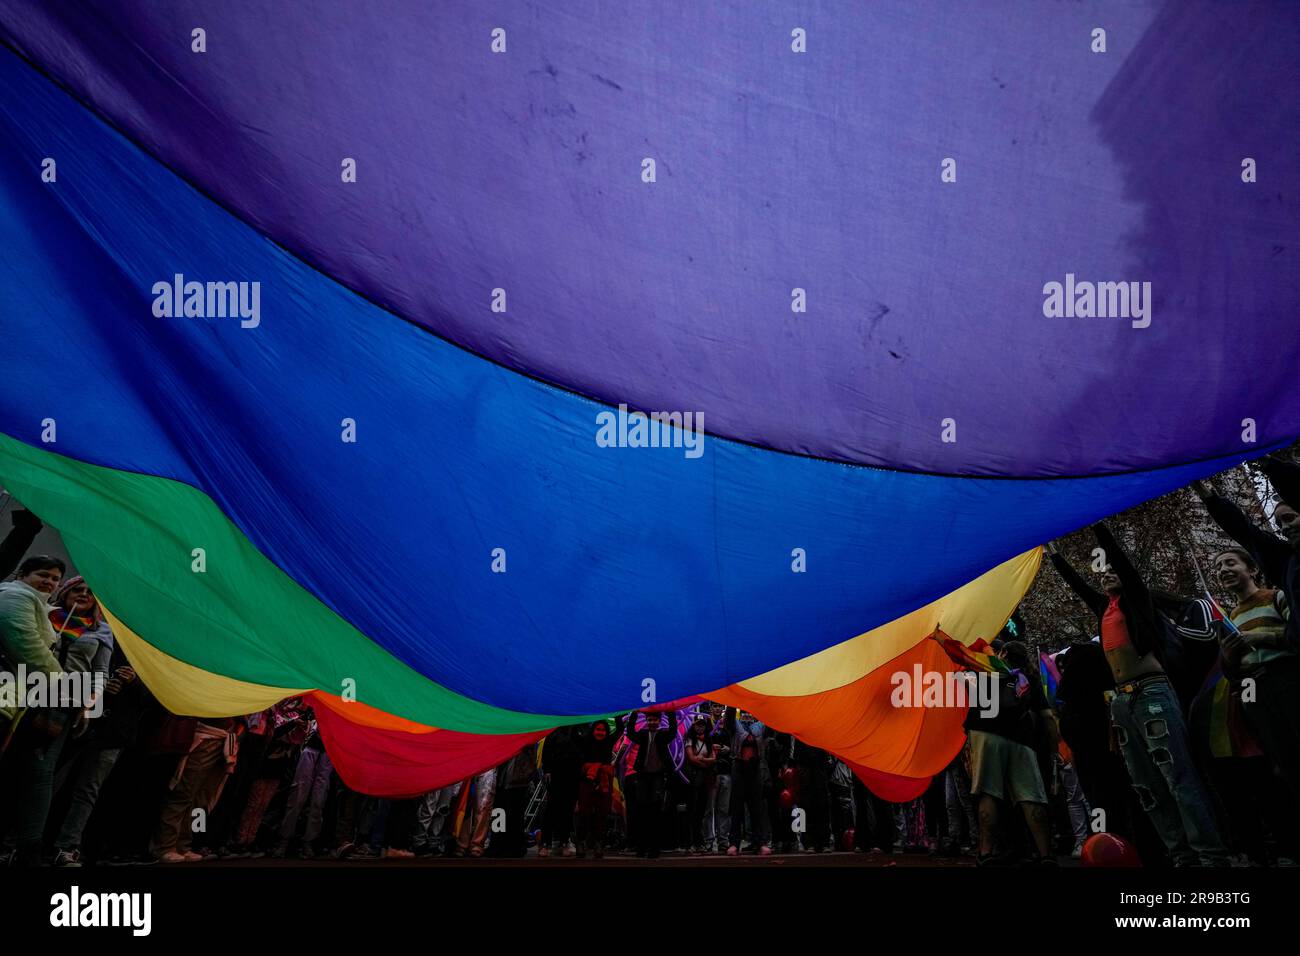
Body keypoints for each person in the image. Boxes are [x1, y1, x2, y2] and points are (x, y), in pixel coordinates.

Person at [1048, 527, 1228, 866]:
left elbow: (1120, 561)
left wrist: (1098, 525)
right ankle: (1181, 855)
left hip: (1151, 691)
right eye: (1105, 574)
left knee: (1178, 776)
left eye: (1114, 571)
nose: (1108, 576)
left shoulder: (1137, 601)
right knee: (1147, 785)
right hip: (1122, 701)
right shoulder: (1103, 608)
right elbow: (1078, 584)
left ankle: (1211, 855)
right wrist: (1054, 554)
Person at [1195, 475, 1300, 800]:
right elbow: (1233, 672)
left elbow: (1294, 638)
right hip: (1256, 693)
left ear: (1252, 569)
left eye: (1230, 563)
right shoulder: (1231, 618)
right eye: (1217, 569)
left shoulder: (1277, 597)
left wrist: (1263, 640)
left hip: (1288, 682)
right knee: (1283, 764)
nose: (1223, 570)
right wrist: (1228, 658)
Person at [963, 639, 1057, 865]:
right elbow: (1047, 717)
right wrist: (1055, 750)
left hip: (985, 733)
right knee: (1031, 796)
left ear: (1002, 654)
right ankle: (1045, 855)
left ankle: (986, 853)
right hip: (1021, 739)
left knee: (988, 794)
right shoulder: (1030, 680)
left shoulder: (985, 673)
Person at [627, 709, 677, 858]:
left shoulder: (663, 735)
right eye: (649, 720)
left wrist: (670, 711)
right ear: (646, 722)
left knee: (656, 812)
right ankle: (641, 848)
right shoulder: (642, 735)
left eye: (655, 720)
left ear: (659, 722)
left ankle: (655, 849)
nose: (652, 722)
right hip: (643, 777)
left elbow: (673, 731)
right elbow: (630, 733)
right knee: (642, 811)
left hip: (658, 777)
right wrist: (634, 714)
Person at [724, 707, 771, 855]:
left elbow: (771, 725)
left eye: (749, 712)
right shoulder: (735, 725)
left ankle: (760, 843)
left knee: (757, 808)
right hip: (738, 768)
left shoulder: (761, 726)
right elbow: (729, 718)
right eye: (744, 713)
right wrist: (732, 700)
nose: (747, 715)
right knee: (736, 808)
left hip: (755, 769)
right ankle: (733, 844)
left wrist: (768, 702)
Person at [574, 719, 617, 858]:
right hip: (587, 781)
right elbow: (573, 735)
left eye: (603, 730)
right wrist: (574, 714)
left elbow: (621, 728)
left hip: (604, 782)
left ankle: (599, 844)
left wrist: (617, 708)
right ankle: (580, 843)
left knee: (602, 814)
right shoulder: (585, 742)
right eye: (598, 729)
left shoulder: (609, 742)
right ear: (593, 731)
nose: (600, 732)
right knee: (584, 813)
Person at [539, 724, 581, 857]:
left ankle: (564, 842)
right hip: (556, 774)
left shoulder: (577, 730)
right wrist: (547, 770)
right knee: (551, 808)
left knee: (567, 810)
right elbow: (547, 750)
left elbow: (581, 752)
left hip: (572, 775)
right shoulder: (554, 730)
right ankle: (545, 843)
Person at [683, 715, 717, 853]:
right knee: (691, 810)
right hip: (693, 777)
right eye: (697, 724)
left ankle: (699, 841)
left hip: (705, 778)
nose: (700, 727)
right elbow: (691, 757)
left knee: (701, 811)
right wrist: (705, 761)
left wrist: (702, 759)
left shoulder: (709, 740)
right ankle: (689, 843)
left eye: (702, 725)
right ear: (693, 725)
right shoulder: (689, 739)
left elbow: (714, 759)